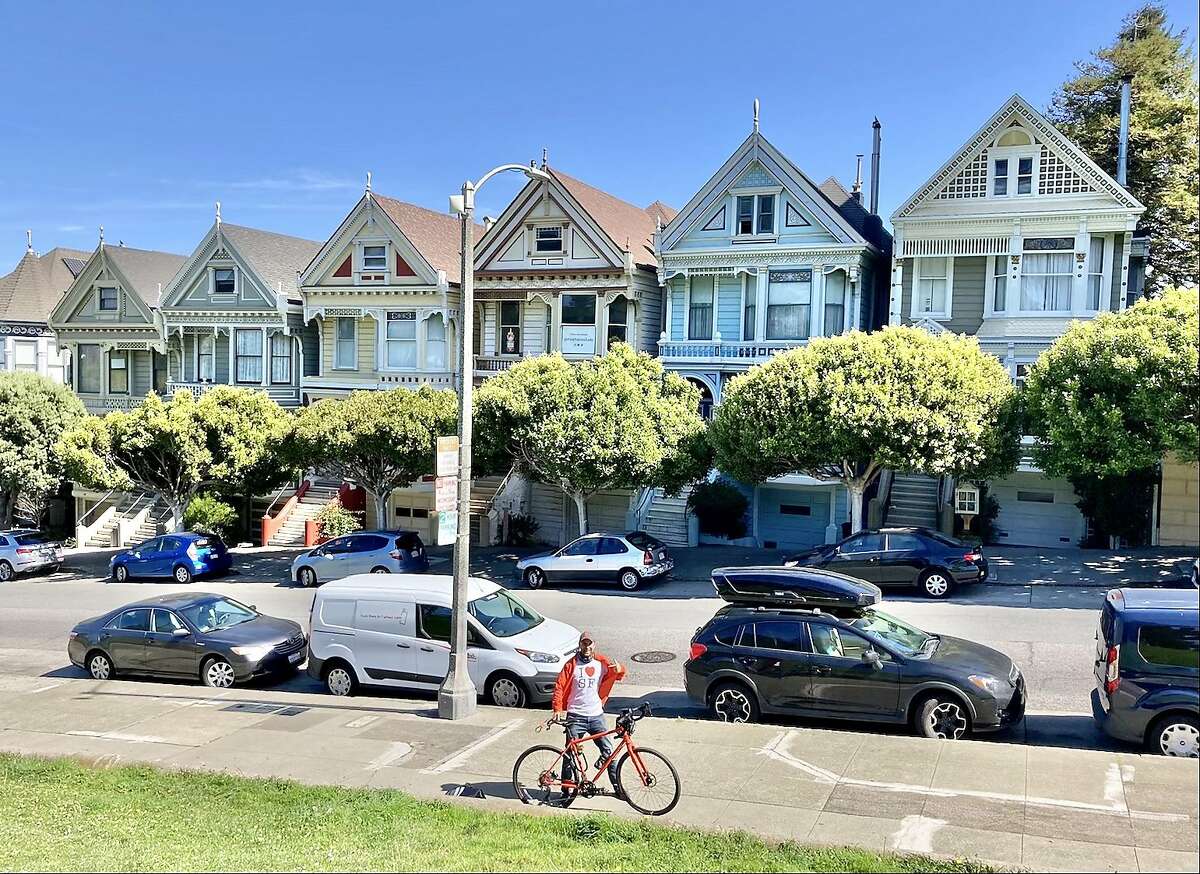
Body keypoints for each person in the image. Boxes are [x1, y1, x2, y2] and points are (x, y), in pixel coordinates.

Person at [551, 630, 627, 794]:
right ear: (579, 645)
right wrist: (557, 708)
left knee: (609, 752)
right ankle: (566, 789)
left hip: (596, 715)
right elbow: (559, 686)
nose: (587, 647)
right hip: (575, 716)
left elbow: (618, 674)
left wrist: (620, 670)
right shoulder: (571, 665)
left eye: (589, 644)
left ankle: (617, 788)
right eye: (584, 643)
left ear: (594, 645)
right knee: (570, 754)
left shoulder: (601, 662)